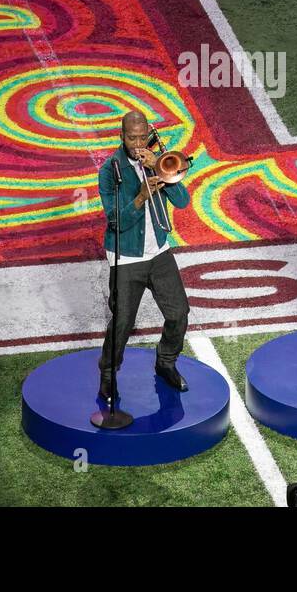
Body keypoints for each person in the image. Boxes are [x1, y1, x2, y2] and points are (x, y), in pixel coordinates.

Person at [97, 110, 192, 397]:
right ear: (122, 136)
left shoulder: (156, 161)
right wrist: (140, 196)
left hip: (159, 252)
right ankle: (108, 373)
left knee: (179, 313)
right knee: (123, 322)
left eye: (142, 137)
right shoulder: (110, 170)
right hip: (127, 257)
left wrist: (164, 173)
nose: (138, 144)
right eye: (132, 138)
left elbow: (183, 201)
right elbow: (118, 223)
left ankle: (165, 362)